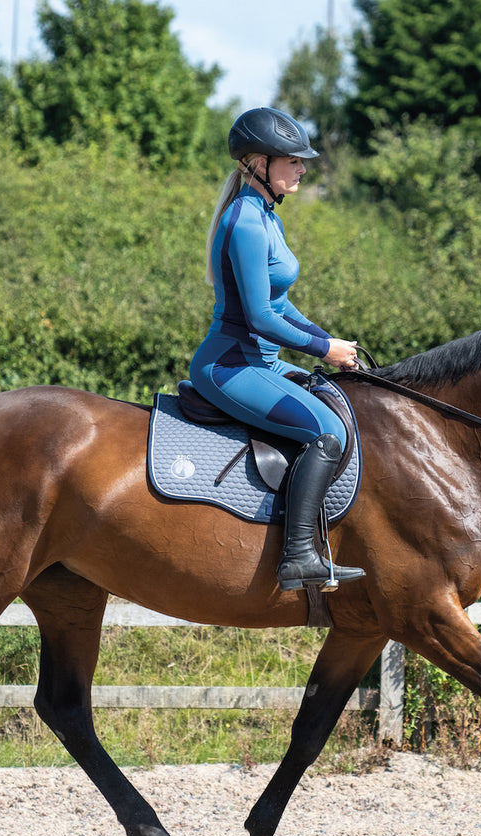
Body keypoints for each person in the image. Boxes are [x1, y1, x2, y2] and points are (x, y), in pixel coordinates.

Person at [189, 107, 365, 593]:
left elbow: (281, 305)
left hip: (261, 362)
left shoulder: (268, 216)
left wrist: (331, 341)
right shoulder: (245, 221)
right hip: (230, 366)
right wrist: (320, 348)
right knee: (327, 431)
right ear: (257, 163)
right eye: (292, 160)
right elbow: (259, 319)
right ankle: (299, 557)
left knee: (340, 402)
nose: (302, 169)